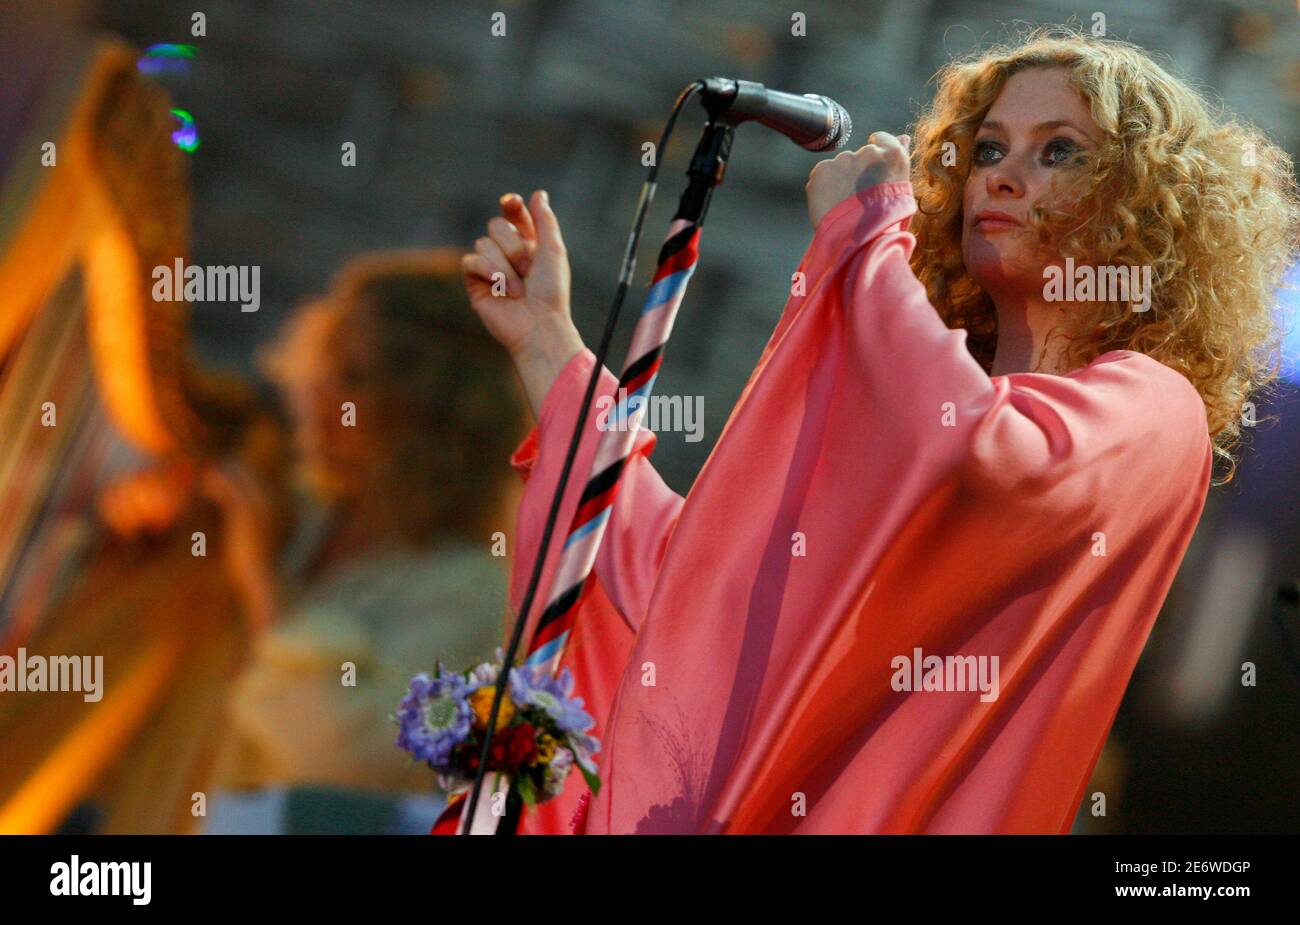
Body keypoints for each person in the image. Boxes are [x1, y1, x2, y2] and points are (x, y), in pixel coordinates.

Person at [461, 29, 1299, 833]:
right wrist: (548, 343)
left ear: (1143, 207)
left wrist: (866, 237)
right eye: (989, 149)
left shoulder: (1153, 407)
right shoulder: (911, 384)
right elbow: (694, 584)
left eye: (1060, 151)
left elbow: (977, 451)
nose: (1002, 177)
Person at [206, 249, 528, 831]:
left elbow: (343, 758)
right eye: (323, 364)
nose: (318, 390)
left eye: (355, 376)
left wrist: (261, 586)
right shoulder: (292, 511)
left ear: (432, 418)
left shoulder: (475, 595)